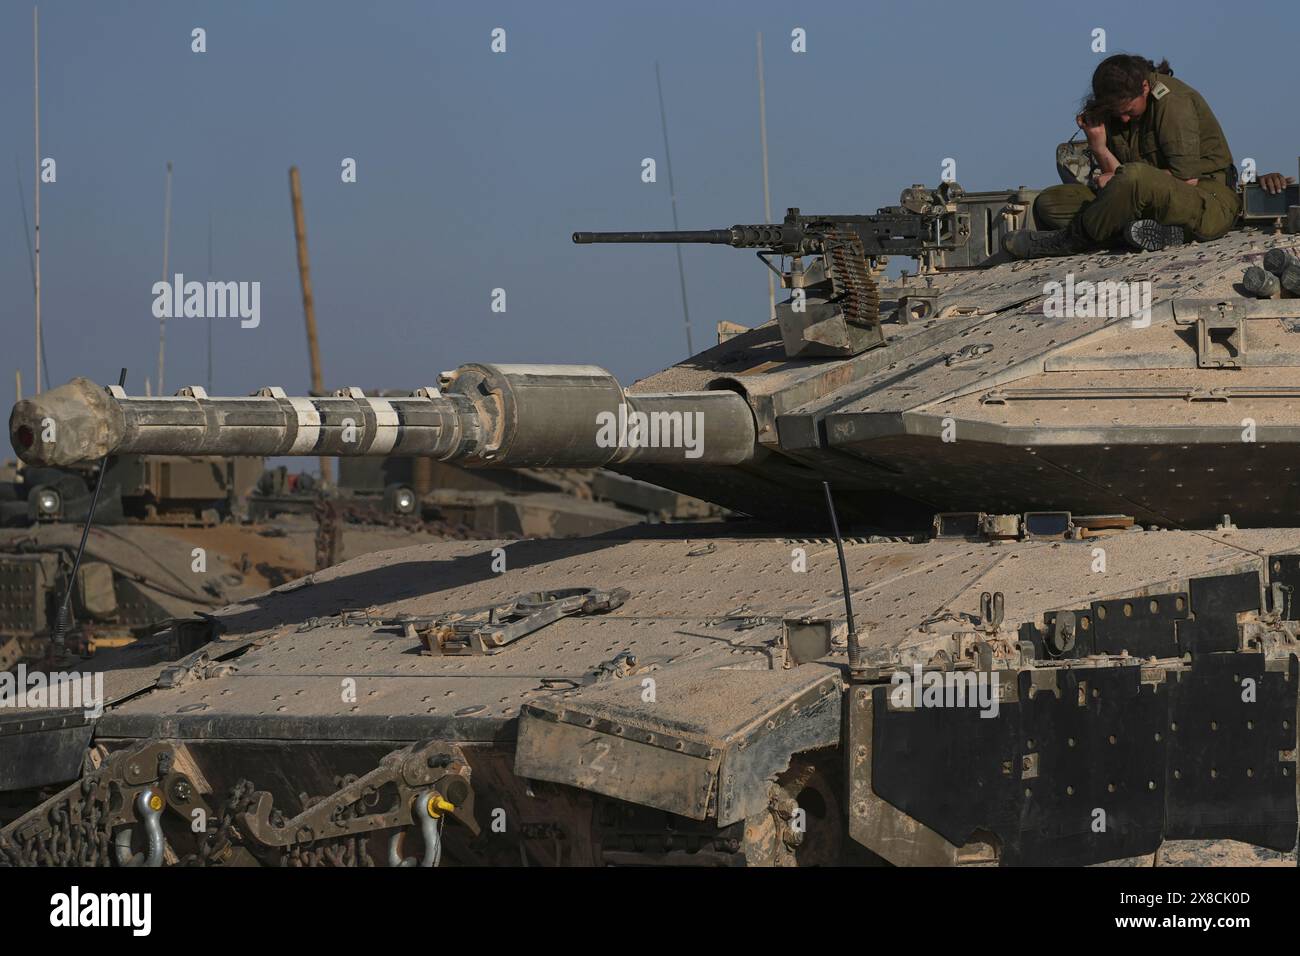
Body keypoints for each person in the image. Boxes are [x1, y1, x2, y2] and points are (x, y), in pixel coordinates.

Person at [1004, 55, 1290, 259]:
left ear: (1144, 87)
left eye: (1129, 110)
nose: (1124, 119)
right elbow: (1120, 179)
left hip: (1205, 200)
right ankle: (1144, 233)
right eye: (1118, 113)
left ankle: (1070, 241)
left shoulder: (1172, 103)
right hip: (1144, 200)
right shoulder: (1117, 113)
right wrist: (1100, 147)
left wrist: (1119, 181)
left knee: (1134, 177)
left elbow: (1184, 179)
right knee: (1051, 203)